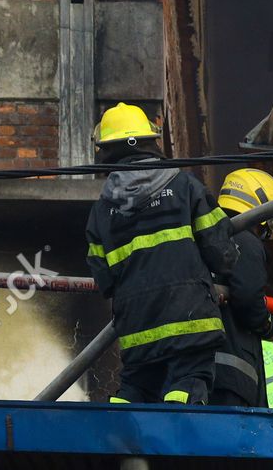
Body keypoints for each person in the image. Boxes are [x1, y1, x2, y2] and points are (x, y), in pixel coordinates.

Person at [84, 102, 238, 404]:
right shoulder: (184, 186)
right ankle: (177, 427)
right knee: (190, 379)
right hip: (190, 318)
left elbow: (103, 278)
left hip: (137, 325)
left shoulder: (101, 210)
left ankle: (121, 438)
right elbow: (221, 250)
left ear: (106, 150)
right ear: (150, 142)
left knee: (136, 387)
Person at [209, 168, 273, 410]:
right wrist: (270, 325)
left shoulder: (211, 237)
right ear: (260, 204)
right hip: (231, 372)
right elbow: (247, 300)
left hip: (203, 371)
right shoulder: (246, 241)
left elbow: (238, 295)